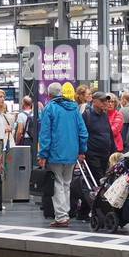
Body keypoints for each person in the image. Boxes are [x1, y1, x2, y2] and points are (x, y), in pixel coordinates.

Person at [38, 81, 87, 229]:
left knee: (57, 184)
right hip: (72, 154)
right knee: (66, 183)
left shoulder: (50, 108)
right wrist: (82, 150)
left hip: (55, 153)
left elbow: (45, 134)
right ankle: (65, 213)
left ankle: (61, 217)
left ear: (49, 94)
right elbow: (83, 132)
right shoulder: (74, 109)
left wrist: (43, 154)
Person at [82, 92, 116, 187]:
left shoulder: (104, 115)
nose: (105, 103)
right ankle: (97, 199)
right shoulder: (87, 115)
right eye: (102, 100)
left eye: (106, 100)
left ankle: (100, 199)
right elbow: (81, 134)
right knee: (99, 179)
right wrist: (82, 152)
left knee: (104, 179)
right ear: (94, 101)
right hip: (93, 154)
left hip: (105, 154)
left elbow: (109, 133)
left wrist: (113, 150)